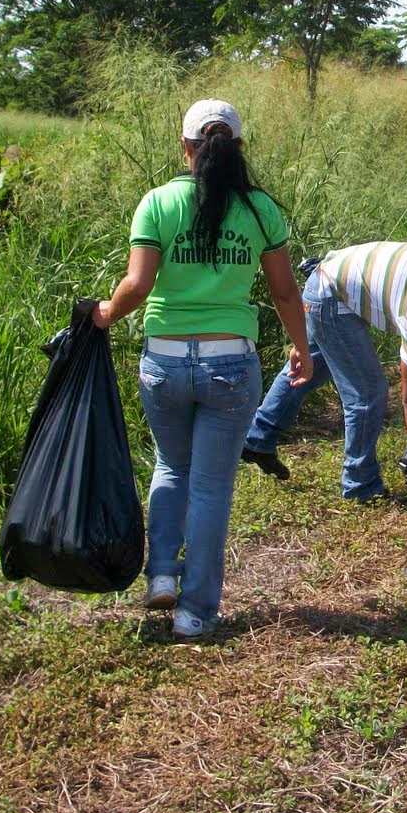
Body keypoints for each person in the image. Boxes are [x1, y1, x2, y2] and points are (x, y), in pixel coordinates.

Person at [94, 99, 312, 639]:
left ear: (186, 148)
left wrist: (102, 315)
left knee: (171, 467)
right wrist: (301, 347)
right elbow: (284, 291)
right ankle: (196, 614)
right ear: (238, 149)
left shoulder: (157, 202)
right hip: (231, 364)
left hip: (164, 361)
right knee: (212, 488)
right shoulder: (262, 209)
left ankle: (162, 574)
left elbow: (137, 287)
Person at [241, 242, 407, 501]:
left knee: (310, 368)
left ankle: (257, 440)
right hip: (331, 296)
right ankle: (360, 485)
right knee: (368, 394)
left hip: (330, 280)